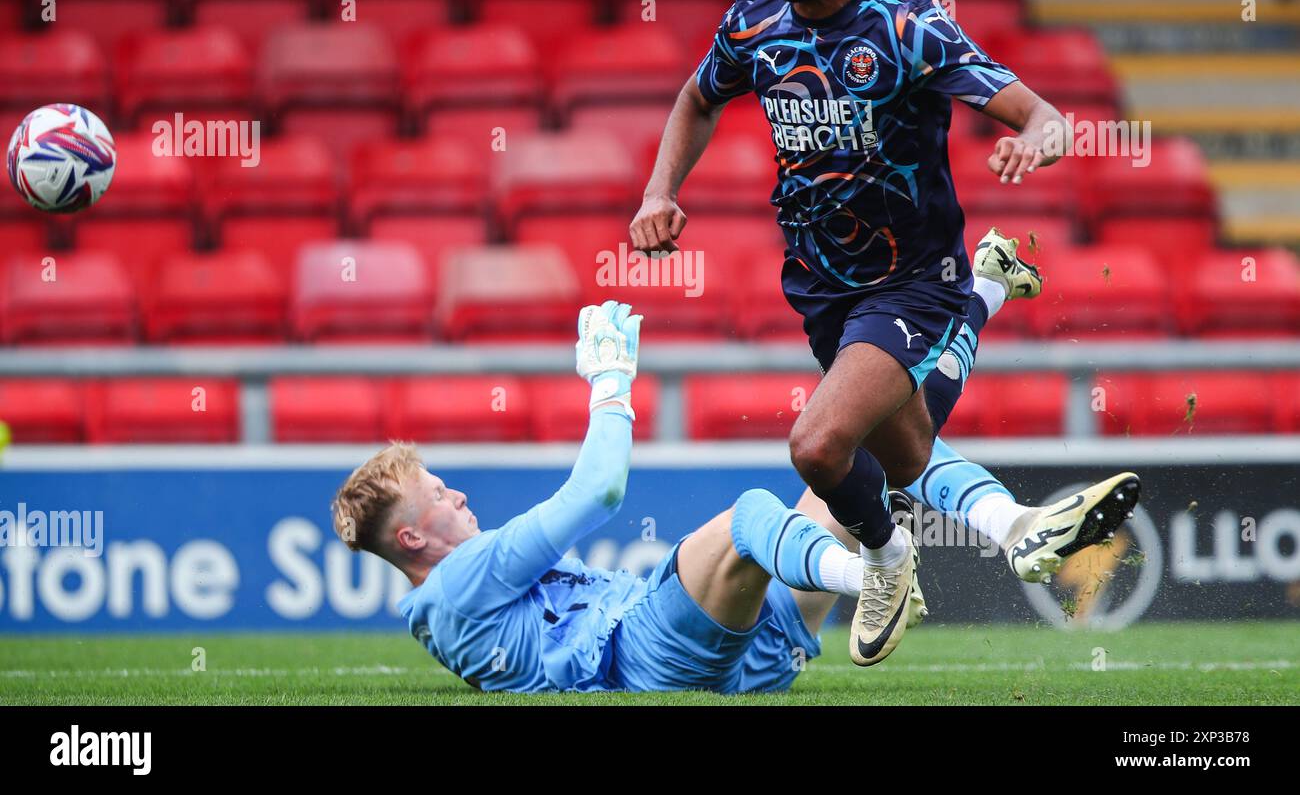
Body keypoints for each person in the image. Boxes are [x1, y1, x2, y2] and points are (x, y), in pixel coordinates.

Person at [628, 0, 1123, 665]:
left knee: (818, 447)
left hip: (912, 278)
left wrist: (1034, 141)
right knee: (903, 453)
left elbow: (1042, 115)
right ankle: (1012, 499)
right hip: (820, 286)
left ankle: (890, 560)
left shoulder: (906, 24)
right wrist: (659, 191)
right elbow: (697, 97)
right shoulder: (753, 22)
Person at [333, 301, 1138, 694]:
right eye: (438, 491)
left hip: (725, 663)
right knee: (752, 518)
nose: (459, 491)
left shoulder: (449, 607)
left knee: (861, 451)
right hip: (642, 652)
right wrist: (609, 380)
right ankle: (876, 580)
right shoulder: (464, 578)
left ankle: (986, 303)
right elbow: (600, 488)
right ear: (412, 540)